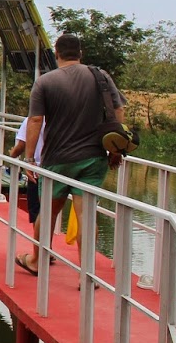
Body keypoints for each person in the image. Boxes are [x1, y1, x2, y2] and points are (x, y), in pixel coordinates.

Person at [11, 34, 126, 275]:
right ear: (80, 53)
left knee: (49, 212)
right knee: (86, 214)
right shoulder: (101, 76)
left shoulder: (45, 82)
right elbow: (118, 111)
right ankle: (88, 272)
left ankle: (36, 261)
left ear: (56, 54)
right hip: (94, 158)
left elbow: (35, 120)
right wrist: (116, 149)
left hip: (57, 160)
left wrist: (29, 159)